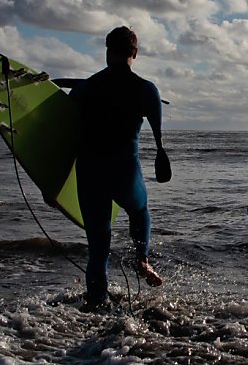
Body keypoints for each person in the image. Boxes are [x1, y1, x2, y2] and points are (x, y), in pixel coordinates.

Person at [70, 26, 168, 308]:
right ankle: (142, 259)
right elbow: (159, 140)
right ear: (134, 53)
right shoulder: (146, 90)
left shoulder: (84, 88)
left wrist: (51, 183)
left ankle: (96, 303)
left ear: (106, 51)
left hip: (89, 172)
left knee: (98, 249)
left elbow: (65, 137)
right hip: (125, 170)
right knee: (139, 209)